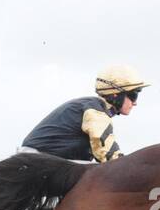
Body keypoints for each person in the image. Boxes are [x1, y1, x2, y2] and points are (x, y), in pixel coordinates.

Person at [18, 64, 148, 163]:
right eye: (133, 96)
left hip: (45, 159)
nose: (135, 103)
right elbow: (109, 155)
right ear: (115, 94)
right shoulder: (95, 111)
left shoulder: (93, 107)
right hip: (37, 162)